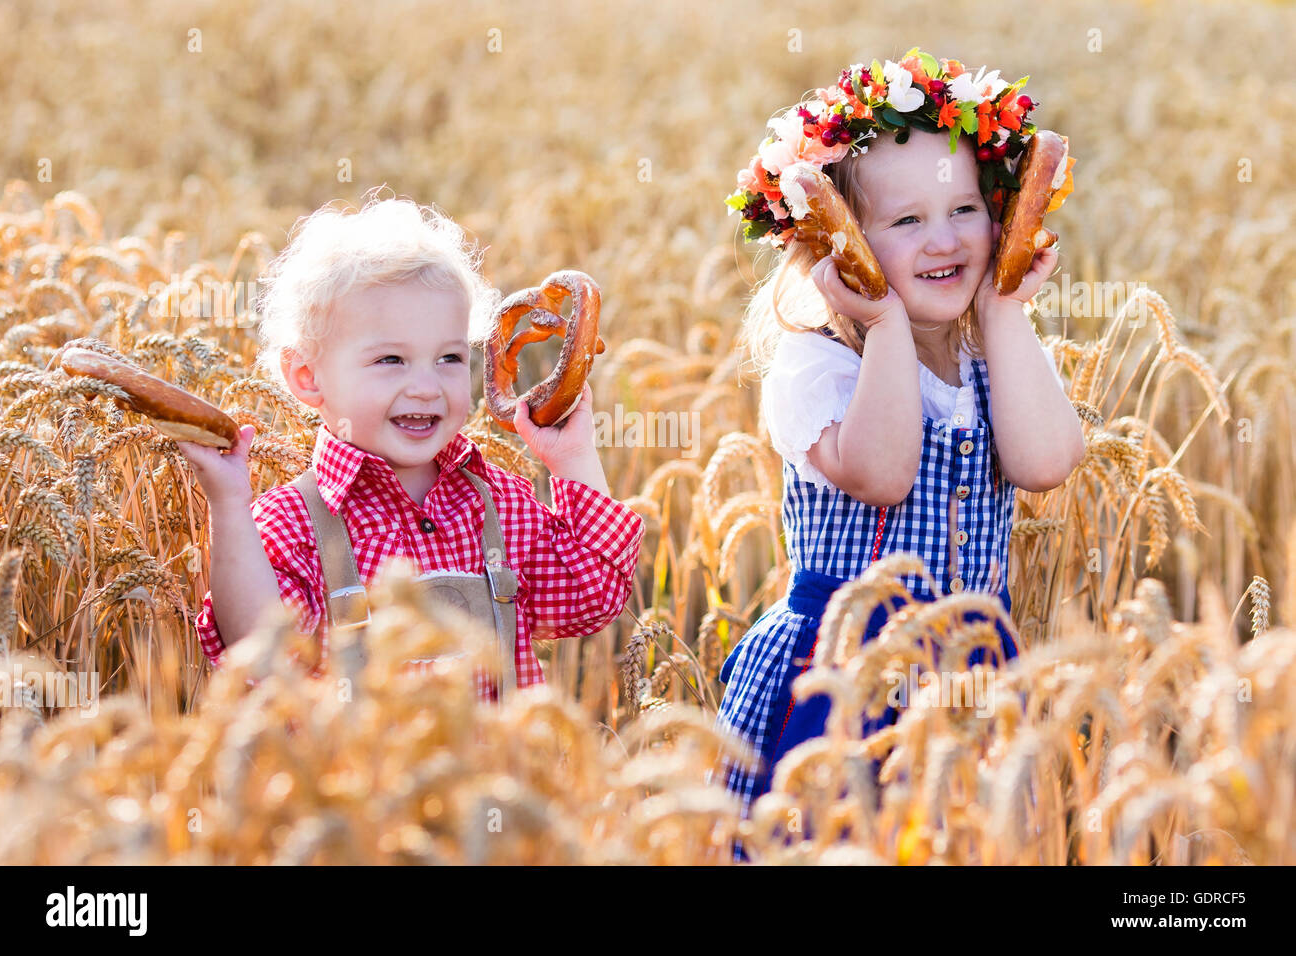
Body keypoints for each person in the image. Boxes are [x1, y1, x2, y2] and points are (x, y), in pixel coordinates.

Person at [715, 50, 1085, 847]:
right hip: (842, 674)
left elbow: (1046, 463)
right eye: (907, 220)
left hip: (970, 678)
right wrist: (883, 325)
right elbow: (882, 475)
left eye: (965, 209)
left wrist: (1006, 312)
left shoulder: (993, 355)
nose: (944, 238)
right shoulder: (819, 362)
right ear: (838, 240)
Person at [178, 193, 644, 698]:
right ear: (308, 376)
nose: (427, 386)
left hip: (502, 777)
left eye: (448, 358)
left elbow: (592, 594)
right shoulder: (293, 523)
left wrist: (572, 457)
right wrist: (227, 506)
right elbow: (261, 657)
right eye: (391, 361)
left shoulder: (497, 504)